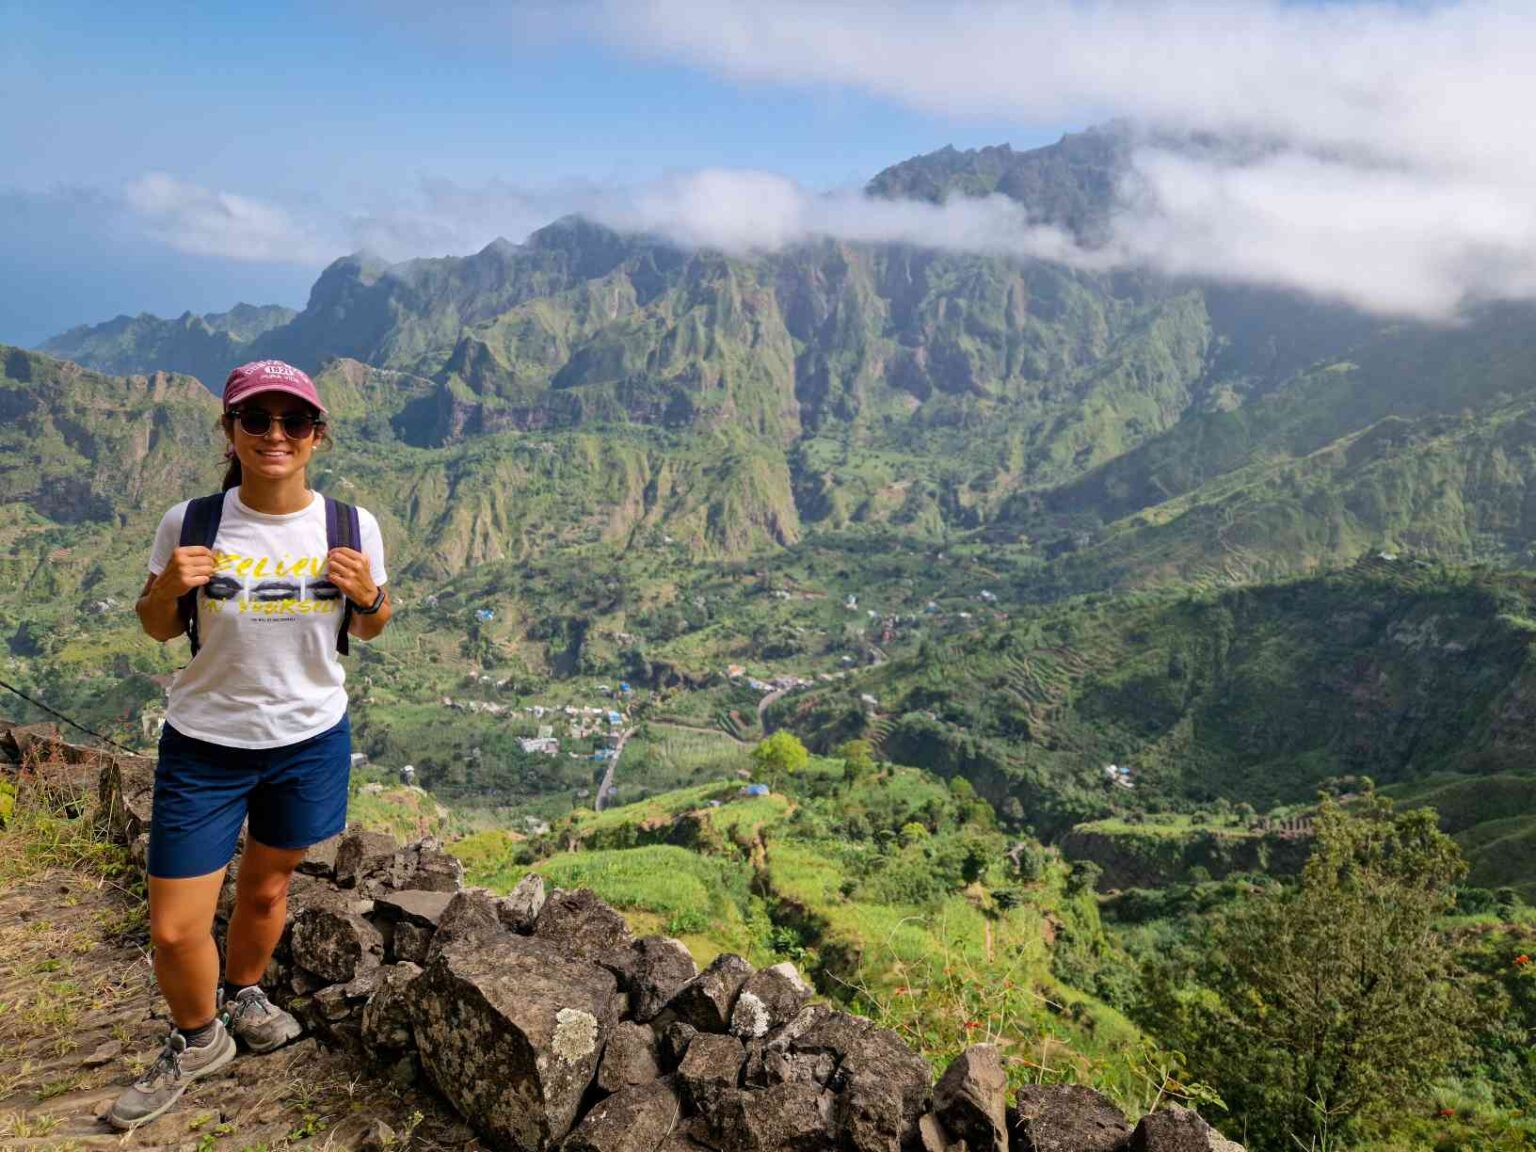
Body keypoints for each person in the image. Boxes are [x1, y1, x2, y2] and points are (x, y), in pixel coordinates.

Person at [109, 360, 391, 1131]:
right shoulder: (190, 521)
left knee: (268, 889)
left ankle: (246, 992)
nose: (275, 435)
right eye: (256, 420)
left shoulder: (349, 523)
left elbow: (368, 624)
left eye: (292, 422)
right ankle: (199, 1039)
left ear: (316, 436)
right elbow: (160, 625)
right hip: (206, 743)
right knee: (173, 926)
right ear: (230, 432)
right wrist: (169, 585)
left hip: (309, 739)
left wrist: (368, 594)